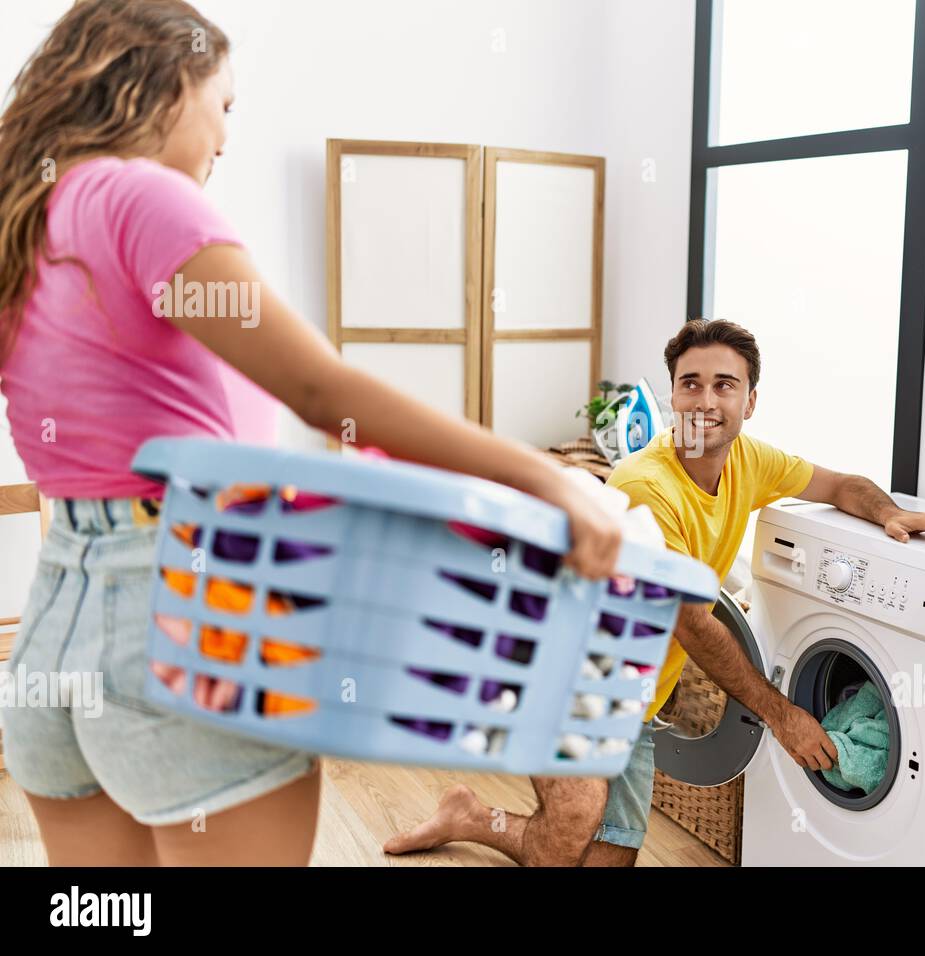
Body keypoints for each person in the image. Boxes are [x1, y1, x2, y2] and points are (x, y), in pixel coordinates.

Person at [0, 0, 621, 867]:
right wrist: (545, 477)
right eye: (223, 105)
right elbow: (322, 388)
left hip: (53, 634)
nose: (224, 138)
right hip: (182, 617)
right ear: (164, 84)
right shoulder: (144, 196)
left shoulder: (25, 222)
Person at [384, 319, 925, 865]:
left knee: (607, 859)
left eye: (724, 385)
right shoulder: (645, 485)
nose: (706, 402)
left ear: (750, 401)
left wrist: (889, 513)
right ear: (673, 395)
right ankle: (502, 820)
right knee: (565, 842)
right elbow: (693, 623)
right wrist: (783, 715)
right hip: (562, 677)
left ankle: (471, 816)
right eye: (691, 384)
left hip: (633, 695)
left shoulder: (750, 460)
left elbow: (839, 484)